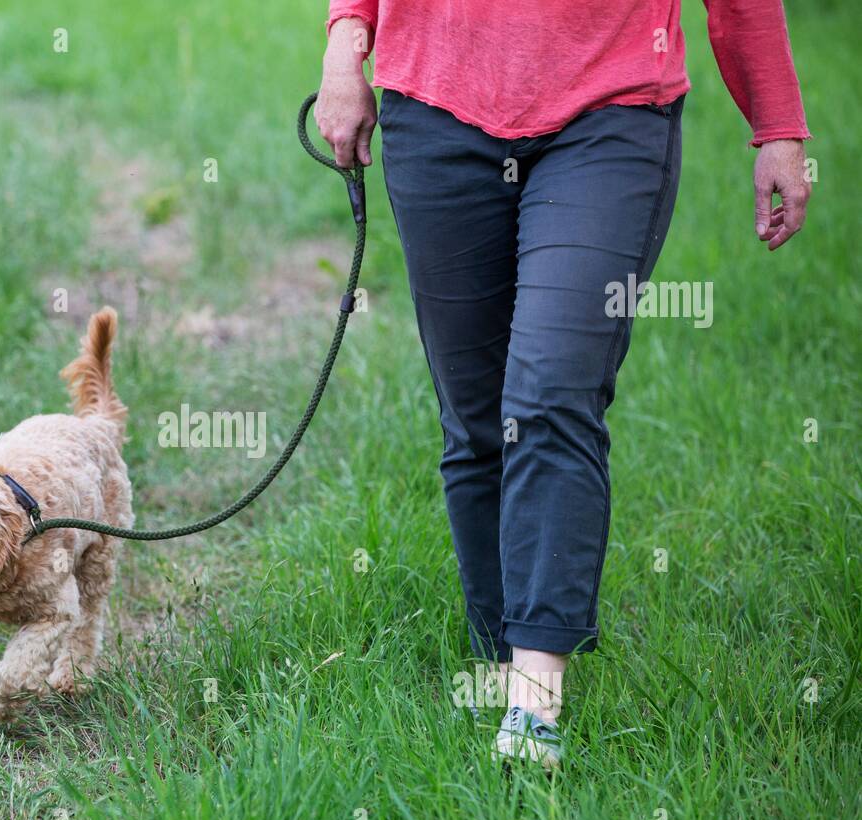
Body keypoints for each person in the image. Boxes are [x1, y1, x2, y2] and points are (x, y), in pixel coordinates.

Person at [317, 1, 811, 767]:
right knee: (478, 419)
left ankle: (535, 704)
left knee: (550, 392)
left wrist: (777, 126)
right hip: (437, 107)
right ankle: (497, 657)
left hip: (609, 113)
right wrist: (345, 50)